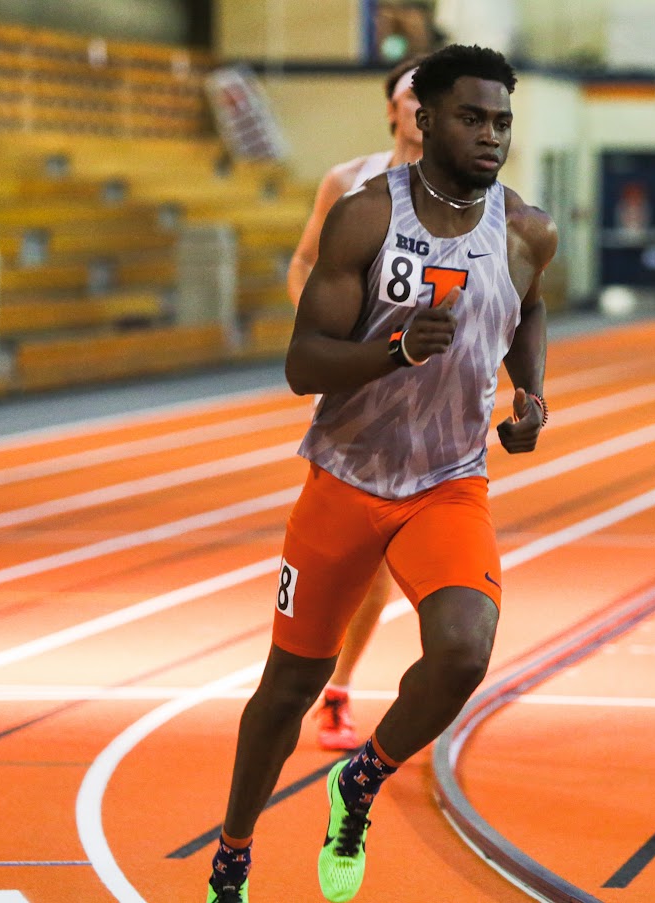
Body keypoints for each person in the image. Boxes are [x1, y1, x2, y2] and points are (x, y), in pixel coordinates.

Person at [204, 44, 556, 903]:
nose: (491, 136)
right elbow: (301, 364)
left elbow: (529, 306)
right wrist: (393, 349)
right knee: (286, 686)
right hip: (346, 476)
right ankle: (232, 854)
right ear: (422, 118)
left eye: (502, 121)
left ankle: (359, 781)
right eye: (472, 118)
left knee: (464, 652)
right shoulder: (363, 216)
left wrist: (530, 394)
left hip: (448, 481)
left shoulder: (526, 229)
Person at [287, 55, 426, 753]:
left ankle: (337, 691)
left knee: (378, 558)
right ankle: (300, 676)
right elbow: (305, 262)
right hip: (351, 393)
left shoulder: (473, 194)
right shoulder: (347, 182)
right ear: (392, 108)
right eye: (413, 89)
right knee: (333, 554)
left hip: (425, 404)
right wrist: (320, 338)